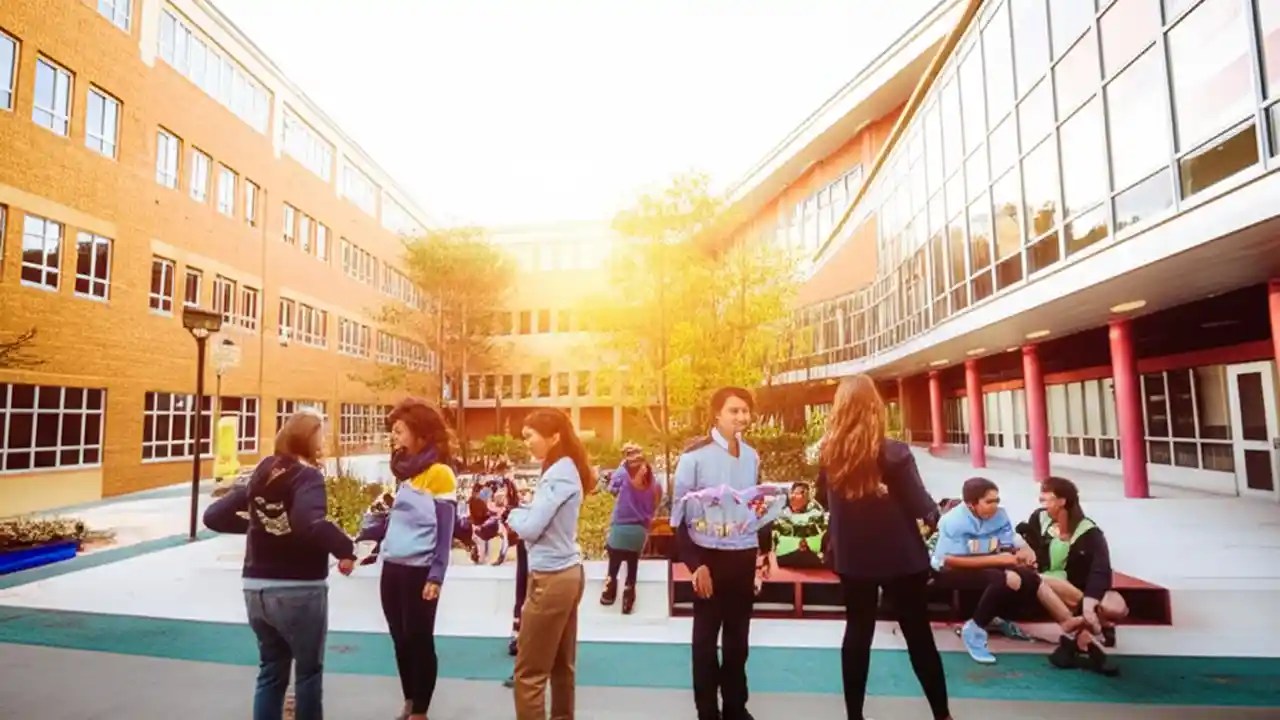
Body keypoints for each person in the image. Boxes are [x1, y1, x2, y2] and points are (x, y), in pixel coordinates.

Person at [203, 409, 356, 720]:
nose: (324, 442)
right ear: (309, 439)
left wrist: (262, 524)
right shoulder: (307, 476)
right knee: (308, 673)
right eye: (321, 436)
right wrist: (345, 548)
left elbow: (215, 516)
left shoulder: (263, 469)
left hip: (255, 589)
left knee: (271, 670)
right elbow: (309, 523)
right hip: (298, 589)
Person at [816, 375, 952, 720]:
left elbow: (821, 498)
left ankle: (855, 716)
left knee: (857, 633)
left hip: (853, 558)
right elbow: (921, 505)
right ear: (874, 405)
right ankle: (942, 714)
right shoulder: (895, 452)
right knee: (918, 636)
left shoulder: (829, 453)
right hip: (901, 558)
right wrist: (939, 513)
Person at [672, 387, 786, 720]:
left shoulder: (752, 456)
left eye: (745, 411)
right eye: (734, 411)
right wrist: (696, 565)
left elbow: (756, 508)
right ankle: (707, 711)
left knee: (738, 642)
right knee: (705, 644)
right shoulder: (693, 457)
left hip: (743, 557)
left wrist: (764, 554)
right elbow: (678, 518)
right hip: (708, 559)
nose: (741, 417)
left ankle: (736, 707)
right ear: (717, 414)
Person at [505, 409, 595, 720]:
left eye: (529, 436)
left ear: (553, 437)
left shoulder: (558, 474)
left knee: (529, 673)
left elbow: (530, 528)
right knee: (561, 666)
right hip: (568, 573)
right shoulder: (565, 470)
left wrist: (513, 514)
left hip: (552, 579)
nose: (526, 443)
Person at [380, 399, 458, 720]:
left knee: (418, 639)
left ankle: (420, 711)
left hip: (420, 572)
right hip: (392, 568)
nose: (394, 437)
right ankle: (410, 700)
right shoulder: (403, 472)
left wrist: (436, 575)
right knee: (399, 638)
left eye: (399, 431)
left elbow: (445, 531)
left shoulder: (440, 475)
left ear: (421, 434)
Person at [931, 477, 1040, 664]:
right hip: (949, 569)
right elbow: (950, 560)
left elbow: (1007, 544)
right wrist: (1001, 563)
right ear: (971, 504)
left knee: (1030, 579)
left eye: (997, 500)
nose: (995, 505)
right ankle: (973, 631)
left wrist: (1023, 555)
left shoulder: (1000, 515)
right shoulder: (952, 521)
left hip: (986, 563)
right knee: (998, 579)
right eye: (989, 501)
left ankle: (996, 618)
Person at [1019, 476, 1128, 651]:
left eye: (1045, 499)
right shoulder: (1039, 519)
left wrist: (1090, 601)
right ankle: (1094, 624)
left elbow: (1100, 569)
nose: (1042, 504)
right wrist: (1028, 552)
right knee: (1038, 579)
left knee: (1115, 608)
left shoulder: (1089, 531)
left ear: (1062, 501)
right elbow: (1028, 543)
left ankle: (1090, 620)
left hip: (1077, 586)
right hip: (1044, 582)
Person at [600, 443, 662, 614]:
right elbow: (656, 502)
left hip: (620, 527)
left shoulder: (623, 474)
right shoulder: (653, 482)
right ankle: (629, 593)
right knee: (632, 561)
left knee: (614, 559)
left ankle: (609, 590)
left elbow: (611, 489)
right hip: (640, 532)